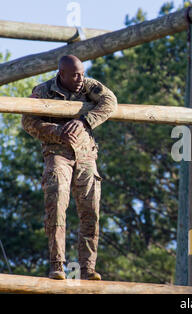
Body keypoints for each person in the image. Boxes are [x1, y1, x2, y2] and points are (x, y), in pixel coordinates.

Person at [22, 55, 117, 280]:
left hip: (86, 156)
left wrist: (85, 121)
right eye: (74, 74)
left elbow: (110, 101)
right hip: (57, 154)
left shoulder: (89, 86)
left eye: (82, 73)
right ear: (61, 74)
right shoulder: (43, 91)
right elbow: (28, 121)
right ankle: (58, 264)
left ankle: (87, 268)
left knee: (90, 211)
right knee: (56, 204)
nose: (79, 78)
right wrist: (56, 131)